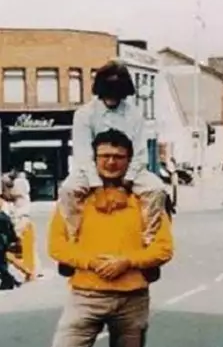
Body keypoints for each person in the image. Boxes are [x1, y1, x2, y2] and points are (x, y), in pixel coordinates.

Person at [1, 129, 174, 347]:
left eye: (118, 156)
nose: (111, 162)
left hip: (133, 299)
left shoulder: (146, 200)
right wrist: (92, 262)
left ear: (129, 161)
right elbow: (58, 246)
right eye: (104, 156)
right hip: (85, 297)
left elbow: (164, 247)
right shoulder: (76, 200)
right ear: (94, 160)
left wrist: (128, 262)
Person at [56, 62, 166, 258]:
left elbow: (141, 153)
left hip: (128, 168)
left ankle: (148, 241)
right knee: (68, 190)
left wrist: (126, 183)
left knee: (156, 189)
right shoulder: (84, 114)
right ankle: (73, 240)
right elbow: (83, 154)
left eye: (117, 94)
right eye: (108, 94)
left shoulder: (135, 114)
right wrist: (97, 187)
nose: (113, 99)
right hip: (93, 168)